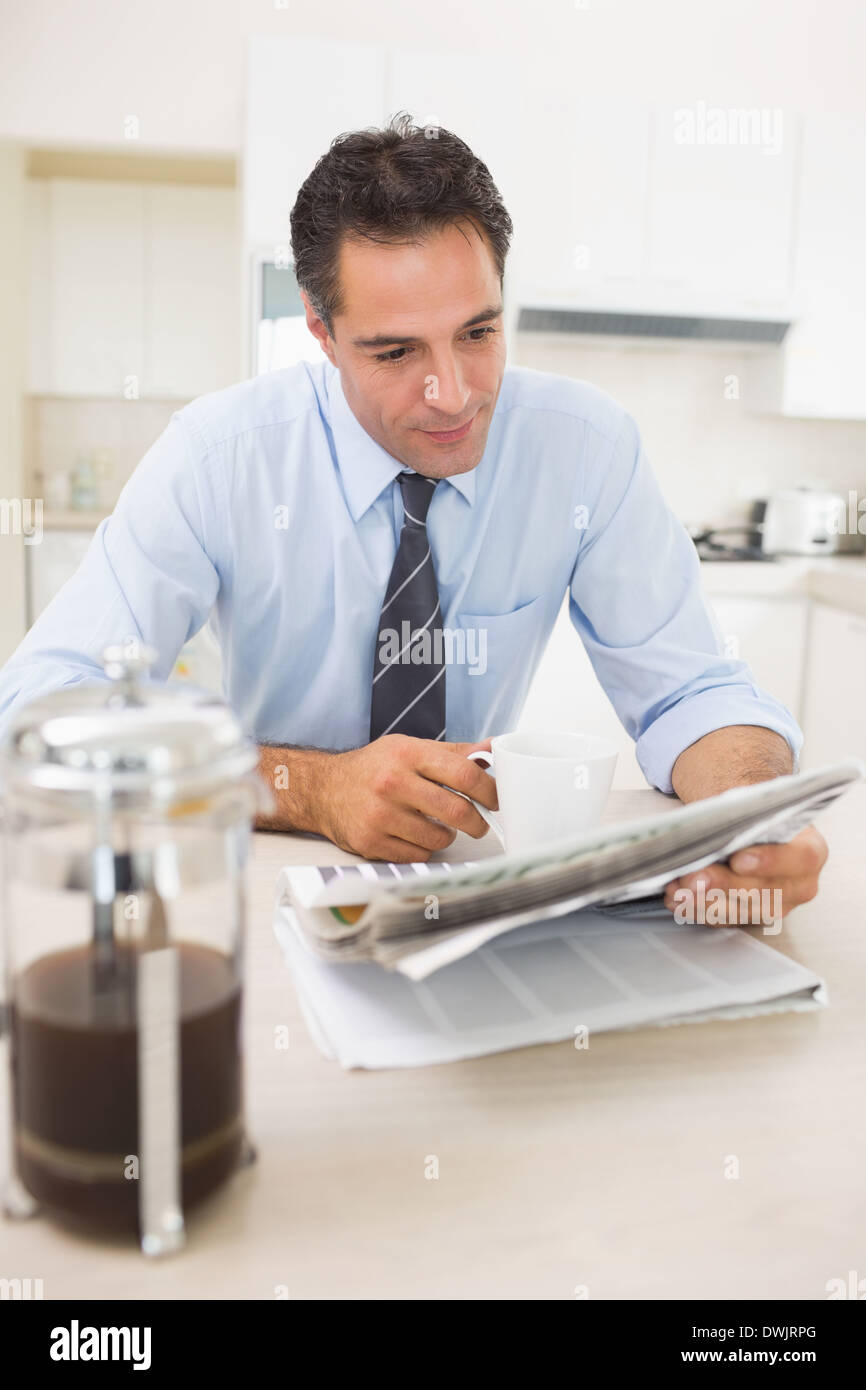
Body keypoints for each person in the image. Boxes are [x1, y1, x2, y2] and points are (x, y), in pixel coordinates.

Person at [0, 113, 826, 919]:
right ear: (319, 330)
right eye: (395, 352)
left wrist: (753, 818)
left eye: (478, 332)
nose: (453, 394)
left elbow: (693, 691)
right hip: (263, 876)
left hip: (469, 889)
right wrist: (314, 788)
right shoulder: (219, 457)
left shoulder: (586, 447)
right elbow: (39, 709)